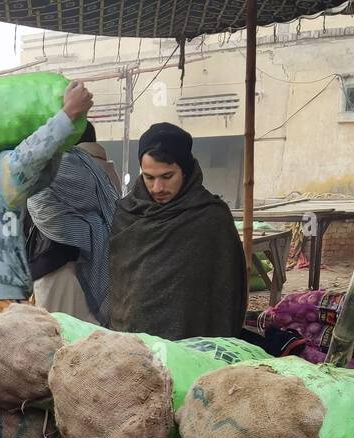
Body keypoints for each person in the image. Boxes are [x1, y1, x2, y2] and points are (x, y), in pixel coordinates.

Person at [0, 80, 94, 311]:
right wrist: (67, 114)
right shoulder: (0, 168)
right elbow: (31, 156)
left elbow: (39, 176)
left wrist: (58, 148)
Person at [105, 123, 247, 340]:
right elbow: (117, 286)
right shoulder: (127, 213)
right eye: (149, 177)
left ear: (186, 170)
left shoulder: (210, 217)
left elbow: (227, 294)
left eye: (167, 176)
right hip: (132, 342)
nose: (157, 188)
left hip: (191, 343)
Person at [26, 122, 117, 323]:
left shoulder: (69, 164)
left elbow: (33, 193)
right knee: (90, 339)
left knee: (60, 336)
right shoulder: (107, 169)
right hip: (97, 265)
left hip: (62, 270)